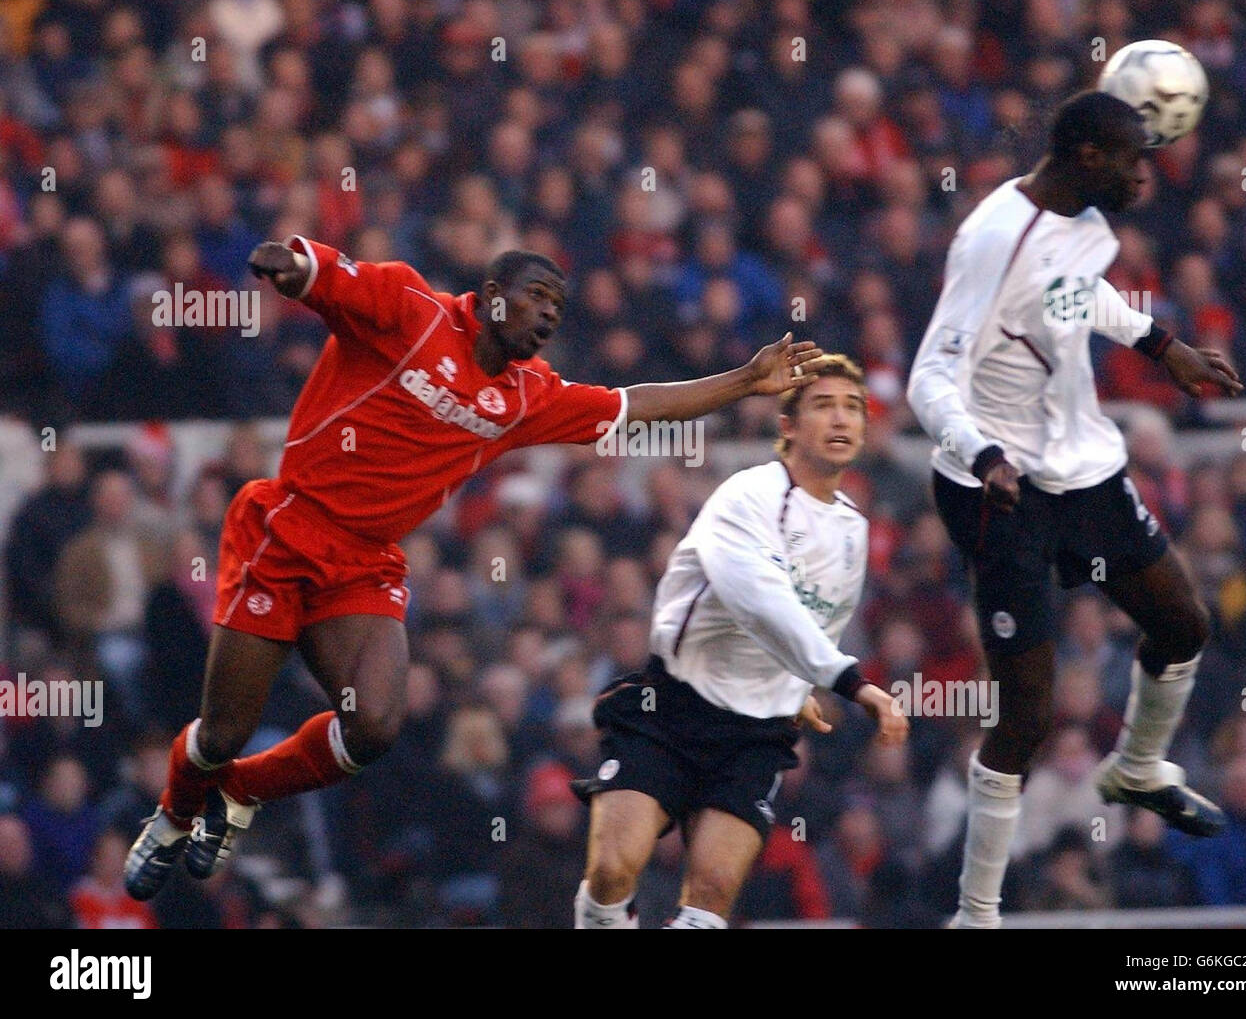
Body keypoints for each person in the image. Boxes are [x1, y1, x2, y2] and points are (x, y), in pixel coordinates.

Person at [125, 235, 823, 901]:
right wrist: (293, 263)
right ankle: (177, 810)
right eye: (538, 295)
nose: (550, 312)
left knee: (373, 726)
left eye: (559, 305)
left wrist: (745, 381)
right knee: (220, 732)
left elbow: (633, 405)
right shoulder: (409, 308)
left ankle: (243, 789)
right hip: (286, 529)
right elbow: (330, 277)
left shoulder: (528, 394)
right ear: (492, 294)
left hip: (364, 563)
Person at [906, 91, 1244, 929]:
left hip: (1079, 464)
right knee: (1028, 712)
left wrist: (1164, 347)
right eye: (1134, 160)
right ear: (1088, 156)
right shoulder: (994, 237)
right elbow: (928, 376)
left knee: (1184, 625)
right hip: (997, 483)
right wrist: (981, 452)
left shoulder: (1081, 223)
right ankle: (976, 915)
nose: (1144, 175)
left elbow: (1071, 297)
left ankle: (1135, 766)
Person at [571, 355, 908, 929]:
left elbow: (817, 619)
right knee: (611, 868)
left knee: (713, 891)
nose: (841, 418)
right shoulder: (747, 496)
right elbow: (763, 602)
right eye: (824, 405)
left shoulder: (854, 527)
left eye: (853, 407)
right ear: (788, 427)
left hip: (754, 734)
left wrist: (795, 683)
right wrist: (851, 682)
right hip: (673, 705)